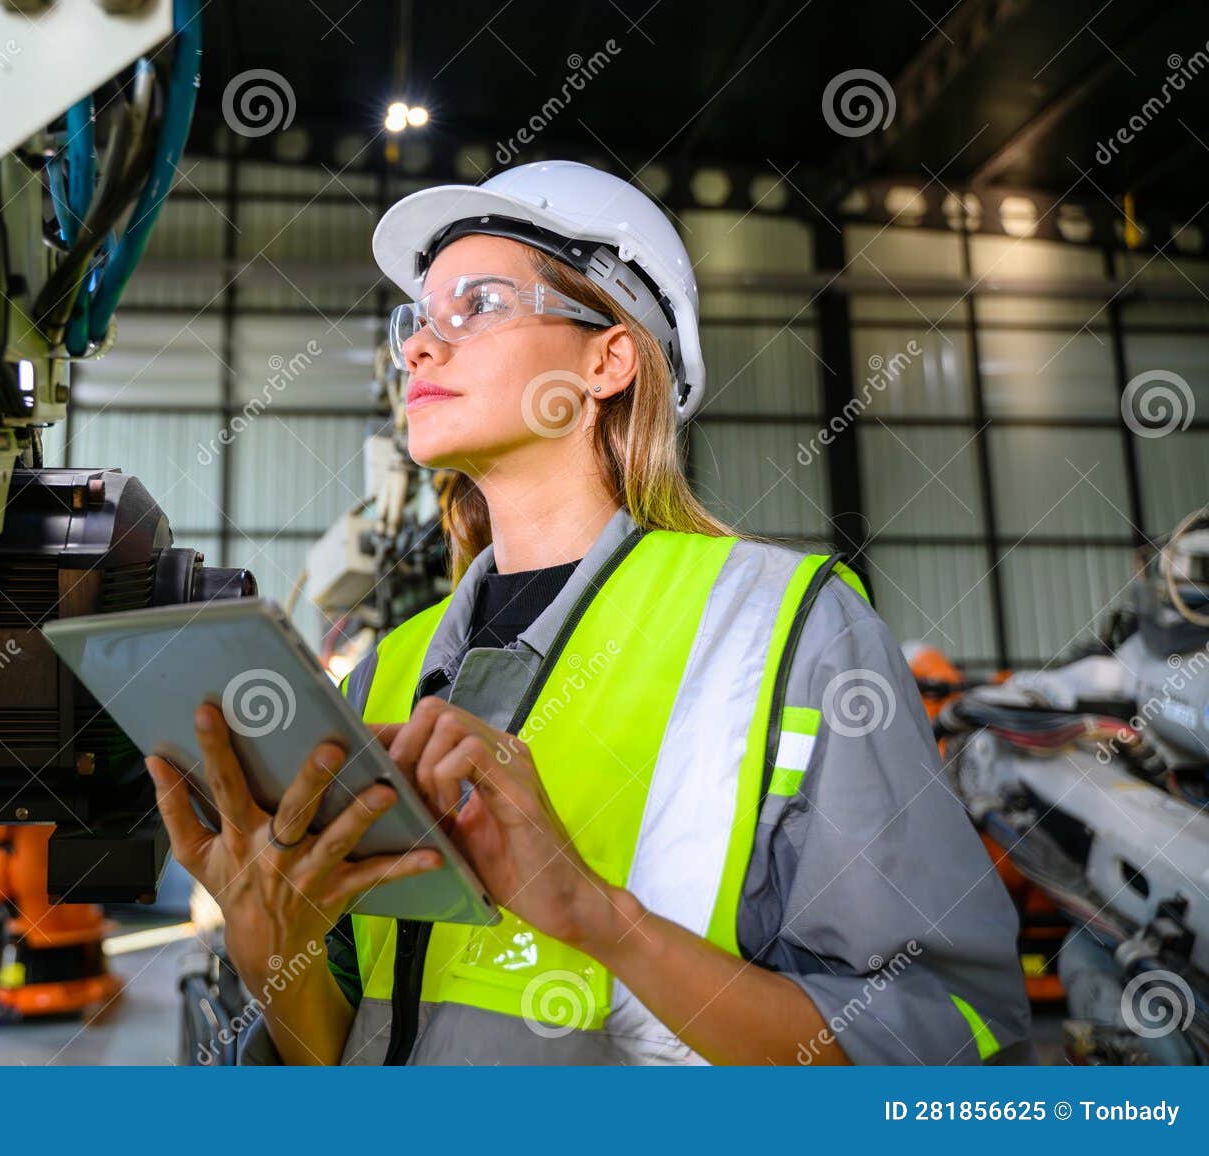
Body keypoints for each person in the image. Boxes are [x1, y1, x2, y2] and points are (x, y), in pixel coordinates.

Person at [145, 160, 1030, 1066]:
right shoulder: (394, 668)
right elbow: (341, 1054)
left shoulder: (787, 630)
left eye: (479, 305)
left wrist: (608, 923)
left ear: (607, 359)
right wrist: (271, 952)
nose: (416, 347)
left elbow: (940, 1037)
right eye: (419, 319)